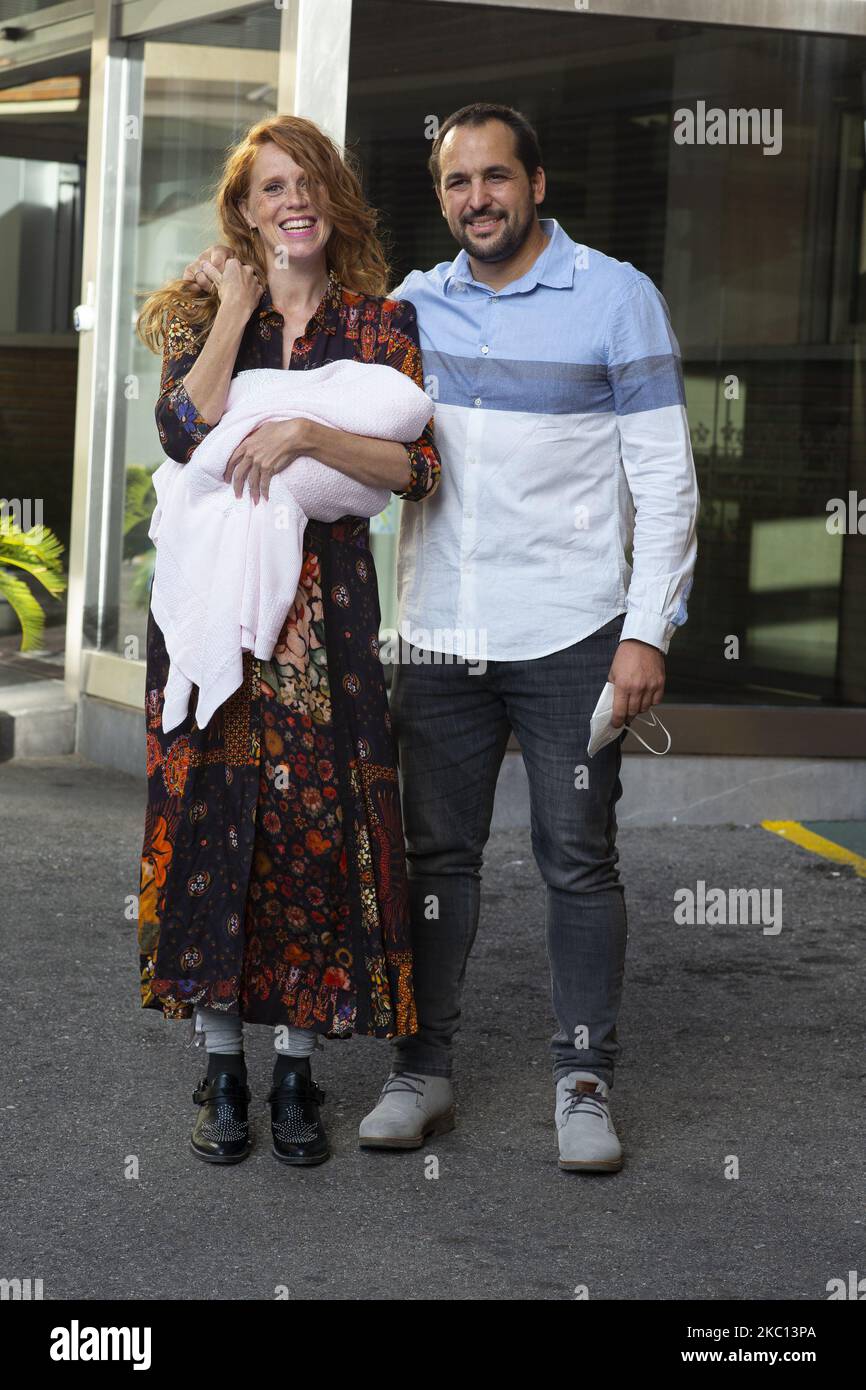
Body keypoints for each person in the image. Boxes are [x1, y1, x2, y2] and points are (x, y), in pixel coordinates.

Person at [185, 102, 699, 1173]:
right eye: (456, 183)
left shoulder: (615, 299)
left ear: (536, 182)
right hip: (437, 635)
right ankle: (421, 1072)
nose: (477, 199)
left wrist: (646, 632)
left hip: (571, 631)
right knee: (436, 859)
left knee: (576, 857)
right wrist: (228, 279)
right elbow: (308, 328)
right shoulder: (411, 307)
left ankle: (583, 1076)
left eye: (495, 178)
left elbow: (664, 480)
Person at [136, 113, 440, 1168]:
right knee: (220, 826)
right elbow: (184, 430)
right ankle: (221, 1064)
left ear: (334, 201)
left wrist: (309, 432)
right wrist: (232, 308)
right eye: (271, 187)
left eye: (306, 181)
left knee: (314, 835)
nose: (291, 201)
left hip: (329, 622)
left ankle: (296, 1068)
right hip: (214, 615)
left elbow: (419, 470)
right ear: (246, 209)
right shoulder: (201, 313)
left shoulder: (380, 323)